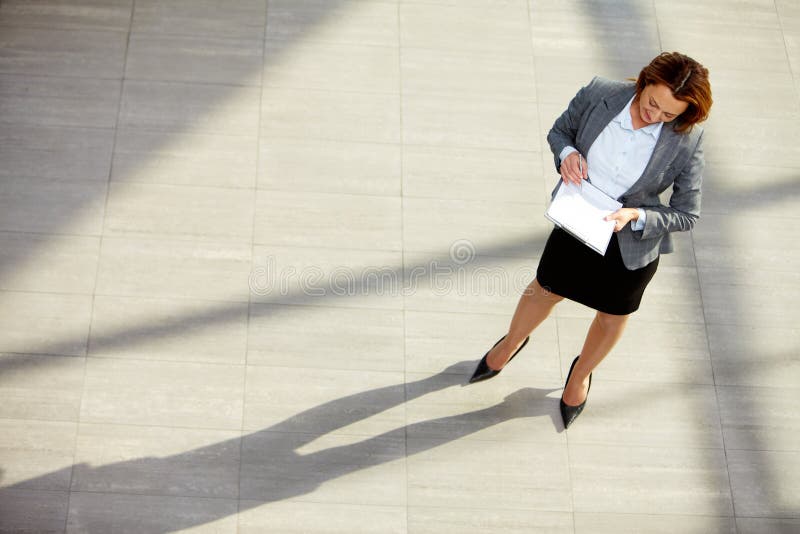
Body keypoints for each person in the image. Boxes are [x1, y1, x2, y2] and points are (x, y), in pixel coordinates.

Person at [468, 52, 713, 429]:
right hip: (577, 220)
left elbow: (687, 213)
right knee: (545, 289)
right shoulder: (602, 92)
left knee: (612, 317)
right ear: (644, 81)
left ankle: (580, 374)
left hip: (629, 243)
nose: (655, 117)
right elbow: (560, 132)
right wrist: (566, 155)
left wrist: (636, 216)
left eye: (669, 115)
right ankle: (511, 342)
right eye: (652, 104)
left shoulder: (688, 139)